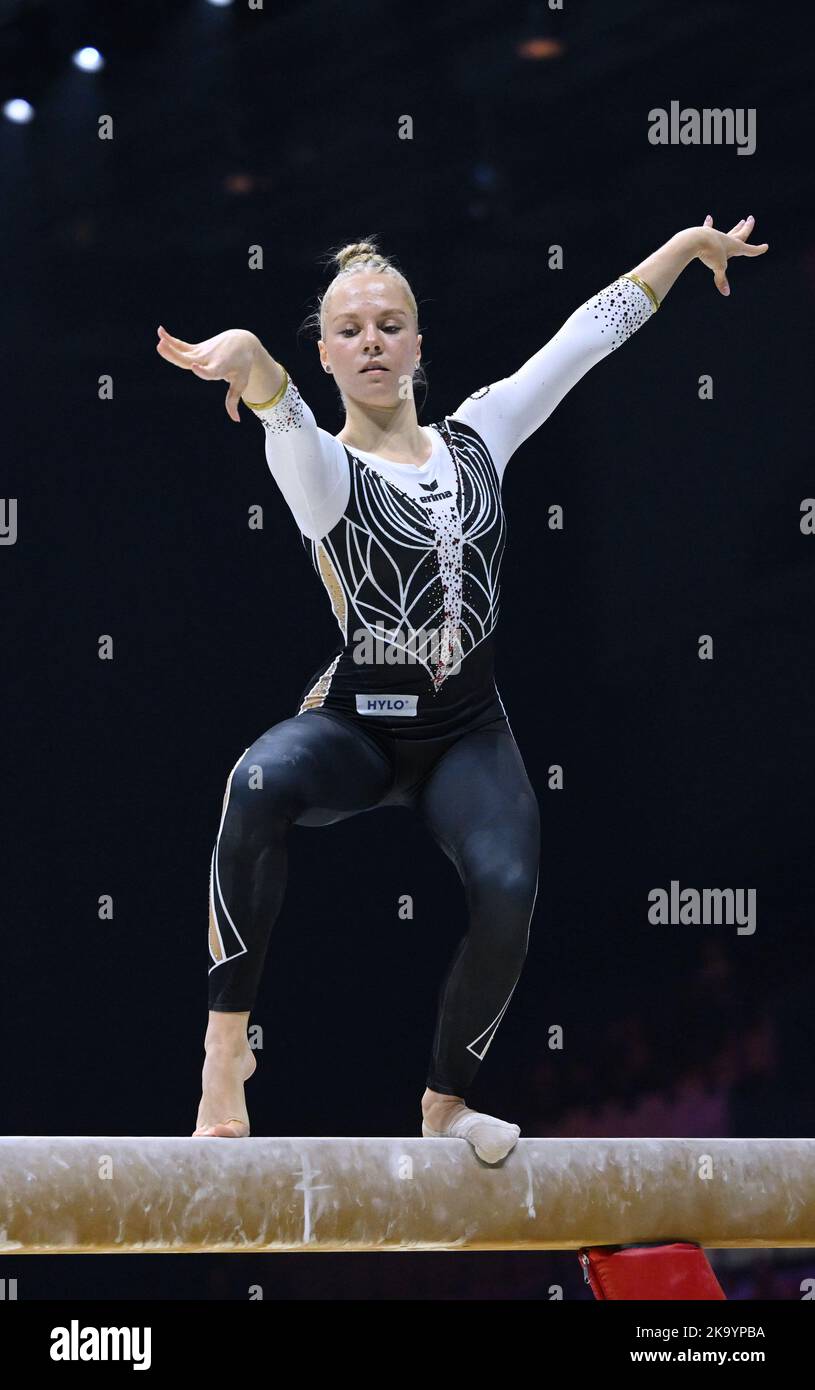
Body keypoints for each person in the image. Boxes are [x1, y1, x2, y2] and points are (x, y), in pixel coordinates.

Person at [156, 215, 767, 1161]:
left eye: (389, 324)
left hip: (465, 728)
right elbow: (280, 414)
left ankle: (446, 1100)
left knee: (508, 883)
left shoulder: (481, 433)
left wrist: (684, 251)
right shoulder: (324, 472)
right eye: (350, 329)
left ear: (416, 343)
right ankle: (224, 1054)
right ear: (324, 352)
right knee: (257, 783)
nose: (371, 342)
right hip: (361, 724)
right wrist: (252, 364)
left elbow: (585, 337)